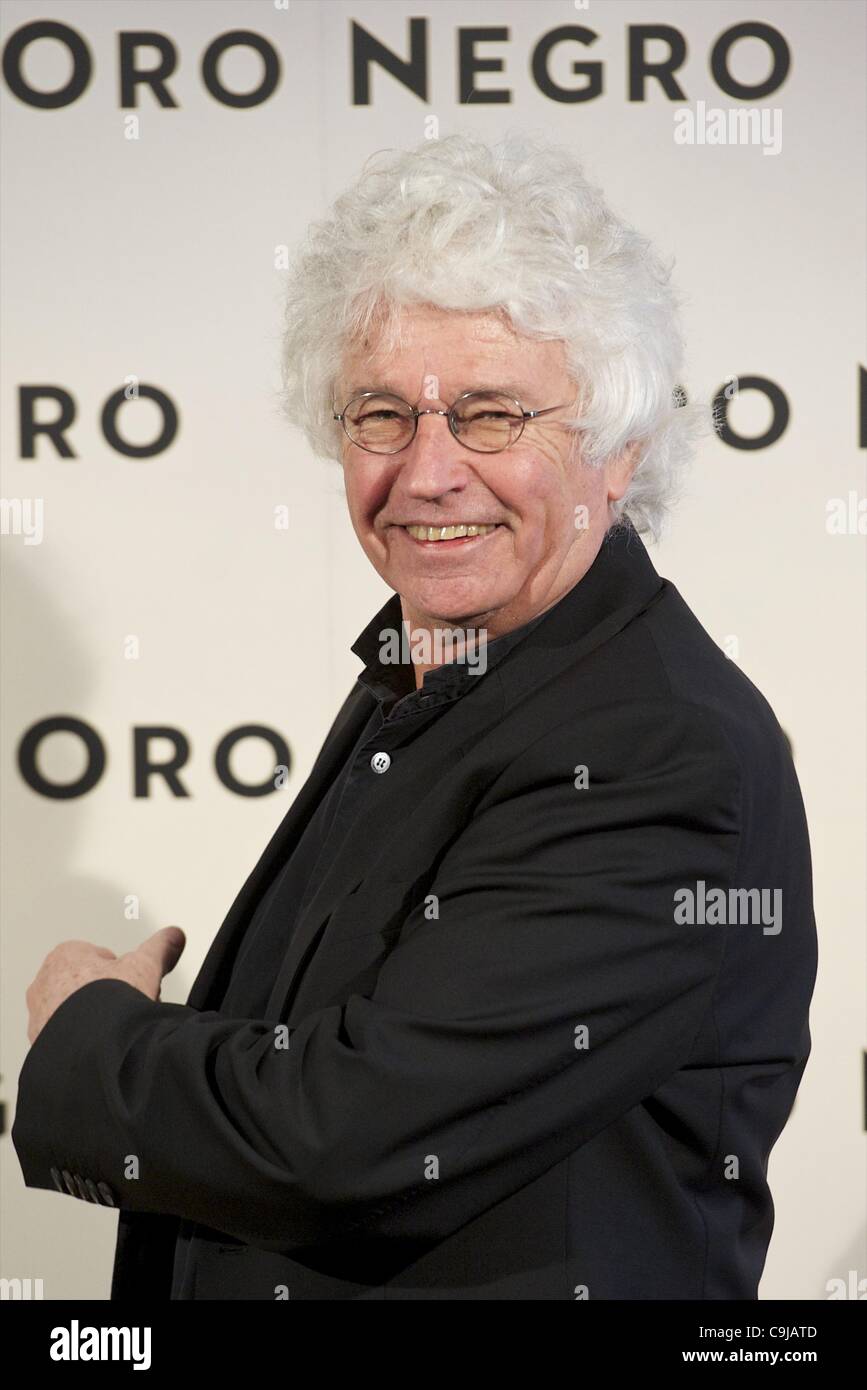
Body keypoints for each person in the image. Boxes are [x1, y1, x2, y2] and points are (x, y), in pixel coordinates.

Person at [13, 132, 817, 1300]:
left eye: (491, 415)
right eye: (381, 414)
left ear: (618, 450)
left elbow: (343, 1132)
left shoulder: (657, 748)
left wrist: (93, 1043)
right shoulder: (443, 661)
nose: (428, 472)